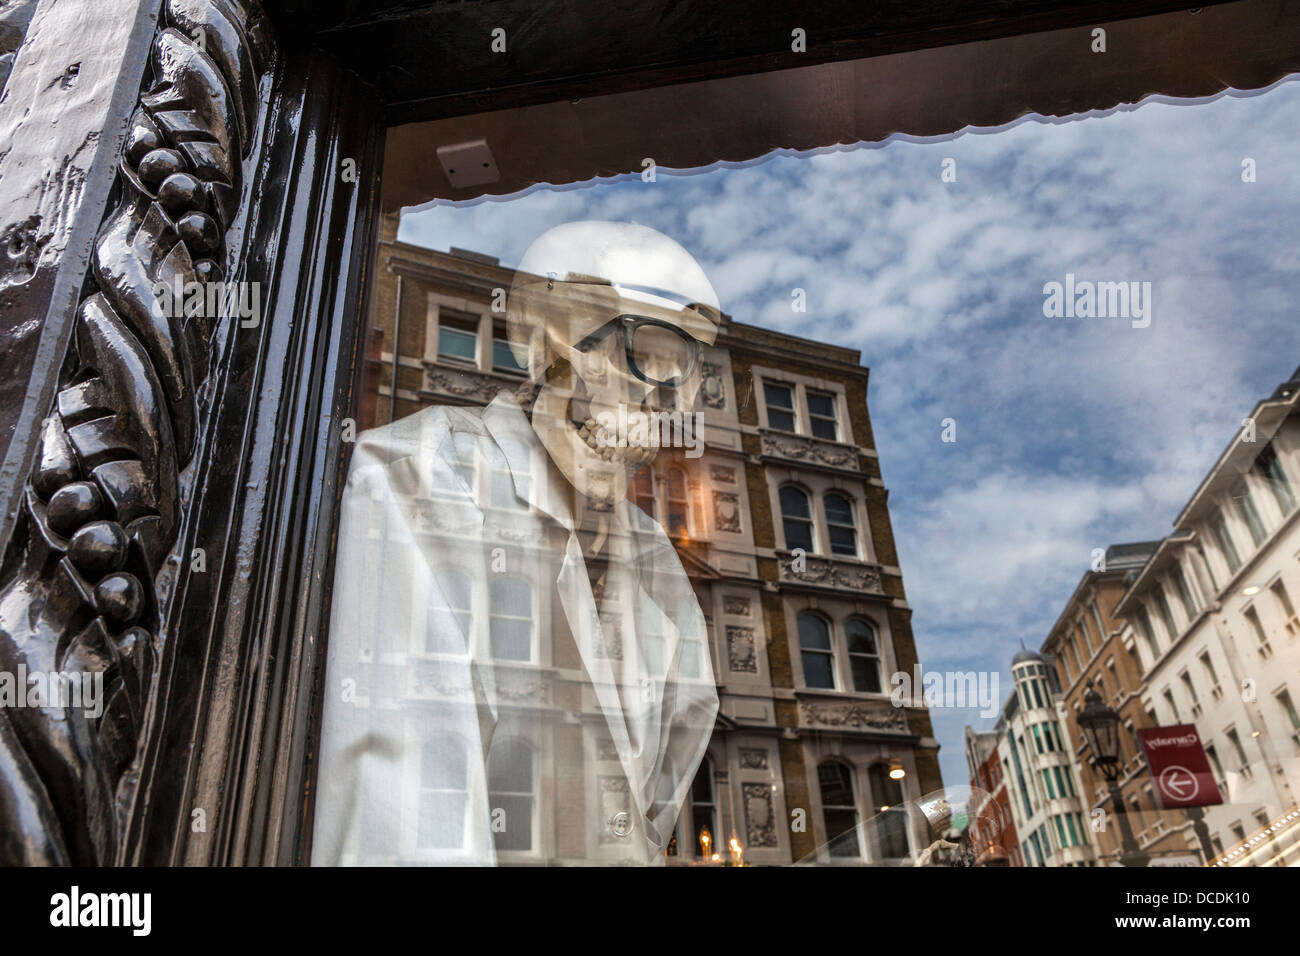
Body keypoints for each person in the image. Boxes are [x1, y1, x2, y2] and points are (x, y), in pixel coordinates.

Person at [312, 221, 723, 864]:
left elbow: (654, 797)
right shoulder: (423, 471)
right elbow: (404, 812)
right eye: (626, 353)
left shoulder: (653, 558)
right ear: (536, 345)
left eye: (677, 368)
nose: (650, 395)